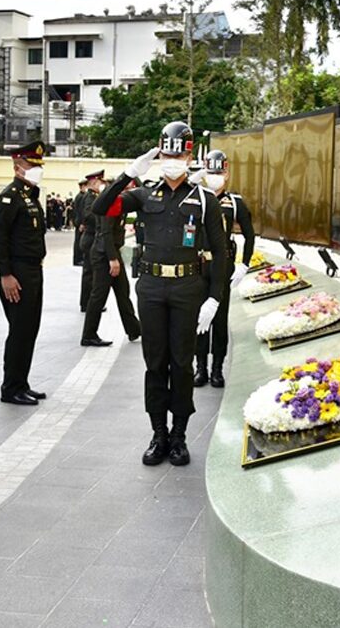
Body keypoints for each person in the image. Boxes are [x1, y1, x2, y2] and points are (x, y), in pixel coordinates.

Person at [93, 122, 226, 466]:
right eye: (167, 152)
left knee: (182, 364)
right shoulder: (143, 193)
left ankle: (179, 435)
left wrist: (214, 297)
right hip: (151, 288)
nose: (173, 159)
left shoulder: (204, 199)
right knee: (155, 364)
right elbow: (101, 209)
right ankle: (158, 434)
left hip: (187, 288)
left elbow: (221, 253)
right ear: (158, 153)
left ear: (189, 154)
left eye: (179, 152)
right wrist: (127, 174)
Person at [0, 141, 48, 406]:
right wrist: (6, 275)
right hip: (18, 273)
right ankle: (10, 388)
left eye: (38, 165)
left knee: (29, 330)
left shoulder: (31, 196)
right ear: (17, 167)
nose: (37, 169)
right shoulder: (10, 196)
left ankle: (21, 383)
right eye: (31, 165)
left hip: (34, 270)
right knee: (19, 330)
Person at [194, 150, 255, 388]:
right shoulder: (197, 197)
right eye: (211, 172)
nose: (215, 176)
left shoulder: (235, 202)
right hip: (199, 264)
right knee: (200, 317)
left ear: (227, 173)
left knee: (219, 318)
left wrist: (244, 263)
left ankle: (217, 368)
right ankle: (201, 368)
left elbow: (249, 235)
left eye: (219, 172)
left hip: (223, 265)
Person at [81, 173, 141, 347]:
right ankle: (89, 334)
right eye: (131, 189)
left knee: (123, 291)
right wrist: (112, 259)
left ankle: (134, 329)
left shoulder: (118, 200)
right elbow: (105, 232)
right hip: (104, 255)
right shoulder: (111, 201)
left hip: (111, 253)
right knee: (99, 295)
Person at [78, 173, 102, 313]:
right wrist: (101, 217)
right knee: (89, 273)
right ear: (93, 183)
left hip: (92, 237)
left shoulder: (94, 196)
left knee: (91, 273)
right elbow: (87, 216)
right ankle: (86, 303)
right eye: (99, 182)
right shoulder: (90, 197)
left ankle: (88, 303)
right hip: (90, 238)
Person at [72, 180, 88, 264]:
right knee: (79, 241)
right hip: (80, 222)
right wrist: (82, 223)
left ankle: (78, 259)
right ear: (82, 187)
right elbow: (81, 211)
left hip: (78, 221)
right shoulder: (81, 197)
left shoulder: (79, 196)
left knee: (78, 240)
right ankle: (78, 259)